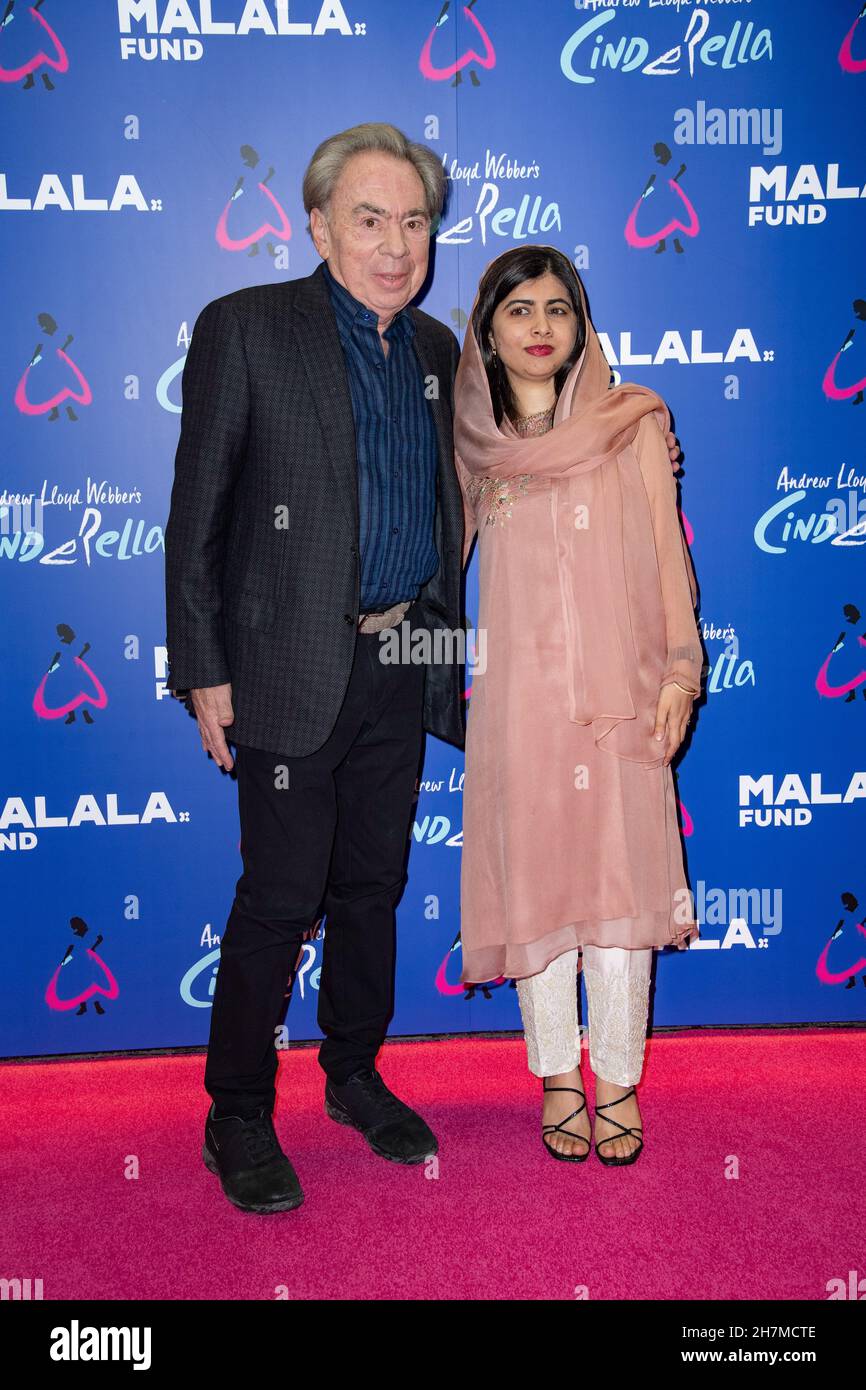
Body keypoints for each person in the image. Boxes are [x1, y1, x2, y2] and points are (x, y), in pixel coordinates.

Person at [163, 123, 468, 1214]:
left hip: (400, 659)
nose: (394, 244)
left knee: (371, 888)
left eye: (414, 222)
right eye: (371, 219)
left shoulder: (437, 352)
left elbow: (499, 464)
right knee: (280, 895)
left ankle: (351, 1073)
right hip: (286, 666)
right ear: (319, 223)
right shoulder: (245, 328)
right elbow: (195, 512)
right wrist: (201, 667)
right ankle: (235, 1110)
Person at [453, 245, 704, 1167]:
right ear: (489, 329)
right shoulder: (475, 449)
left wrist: (679, 674)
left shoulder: (630, 422)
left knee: (619, 892)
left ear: (581, 322)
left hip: (622, 696)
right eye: (519, 310)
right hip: (520, 702)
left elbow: (669, 563)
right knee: (543, 889)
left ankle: (621, 1078)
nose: (540, 326)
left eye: (557, 307)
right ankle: (559, 1073)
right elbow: (429, 563)